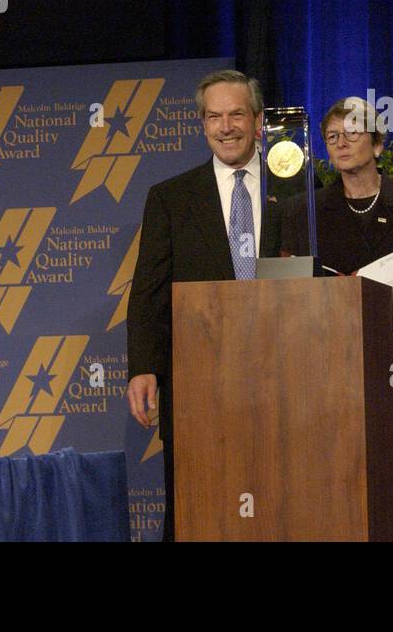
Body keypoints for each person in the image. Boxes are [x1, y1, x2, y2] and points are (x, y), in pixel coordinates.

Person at [279, 96, 393, 541]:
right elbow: (288, 293)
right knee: (337, 495)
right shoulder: (305, 212)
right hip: (327, 379)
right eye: (332, 137)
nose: (342, 143)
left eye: (352, 133)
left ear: (377, 144)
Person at [125, 69, 281, 542]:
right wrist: (144, 367)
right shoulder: (170, 198)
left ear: (257, 121)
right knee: (197, 509)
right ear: (202, 124)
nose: (226, 126)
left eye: (236, 114)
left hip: (282, 376)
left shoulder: (294, 189)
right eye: (214, 116)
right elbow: (149, 290)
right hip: (198, 384)